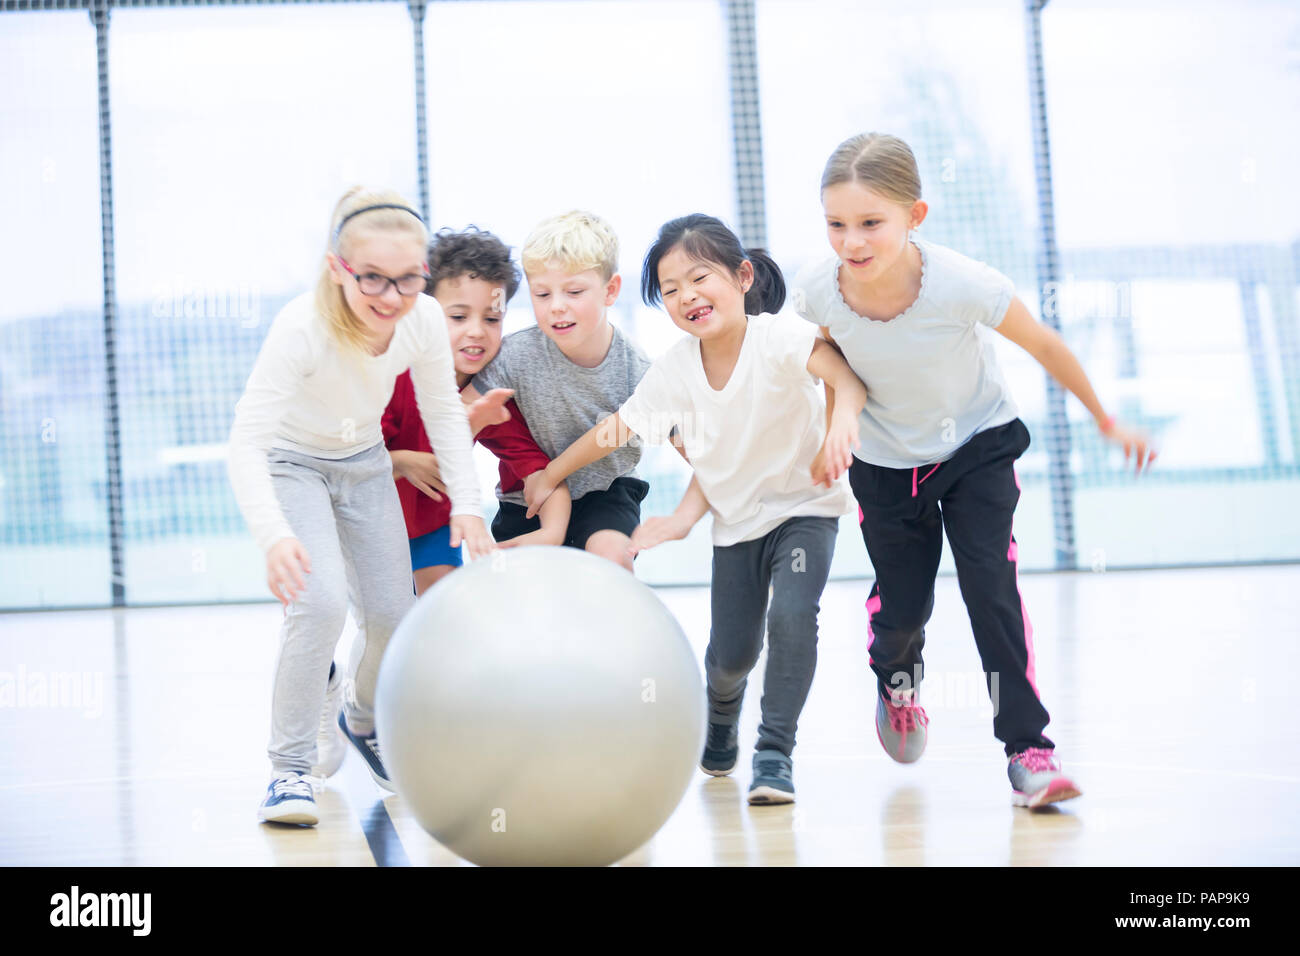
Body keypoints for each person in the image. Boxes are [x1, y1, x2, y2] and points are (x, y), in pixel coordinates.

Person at [794, 133, 1156, 808]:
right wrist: (834, 420)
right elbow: (810, 354)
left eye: (871, 223)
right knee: (905, 606)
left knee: (990, 586)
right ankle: (897, 683)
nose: (853, 241)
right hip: (883, 462)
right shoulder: (816, 289)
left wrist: (1107, 421)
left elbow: (1044, 343)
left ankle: (1028, 750)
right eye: (836, 224)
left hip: (977, 448)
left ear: (915, 217)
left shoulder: (963, 283)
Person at [525, 214, 865, 805]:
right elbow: (618, 430)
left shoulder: (777, 339)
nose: (687, 297)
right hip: (735, 525)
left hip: (807, 509)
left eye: (698, 278)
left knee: (792, 618)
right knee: (731, 657)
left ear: (741, 276)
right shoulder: (676, 371)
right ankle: (722, 712)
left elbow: (843, 375)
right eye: (671, 290)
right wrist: (552, 473)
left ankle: (774, 754)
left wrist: (842, 425)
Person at [227, 187, 497, 827]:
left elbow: (442, 414)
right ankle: (290, 771)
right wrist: (273, 536)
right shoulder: (302, 329)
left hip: (365, 463)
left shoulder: (424, 319)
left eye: (408, 279)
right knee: (318, 605)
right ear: (337, 269)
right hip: (294, 464)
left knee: (394, 616)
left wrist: (469, 503)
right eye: (372, 277)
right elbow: (247, 441)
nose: (391, 296)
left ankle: (362, 720)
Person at [382, 226, 572, 596]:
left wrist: (552, 532)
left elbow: (536, 469)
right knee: (381, 624)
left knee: (441, 613)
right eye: (458, 317)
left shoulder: (489, 388)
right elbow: (350, 459)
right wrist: (403, 461)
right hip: (369, 524)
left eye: (491, 318)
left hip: (434, 526)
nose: (477, 332)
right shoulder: (393, 374)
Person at [462, 210, 651, 572]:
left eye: (574, 291)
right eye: (542, 294)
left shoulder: (636, 369)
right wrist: (470, 418)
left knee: (611, 560)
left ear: (610, 290)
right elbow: (458, 414)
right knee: (513, 583)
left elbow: (682, 439)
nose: (556, 306)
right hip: (528, 500)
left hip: (608, 492)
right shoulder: (514, 356)